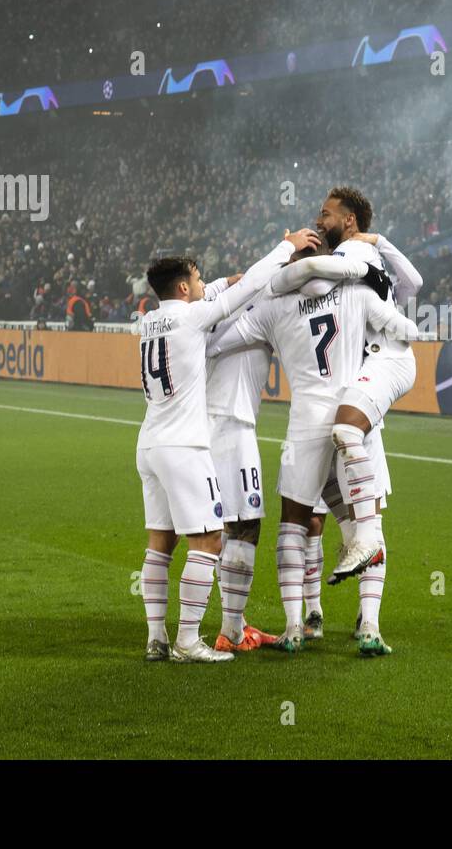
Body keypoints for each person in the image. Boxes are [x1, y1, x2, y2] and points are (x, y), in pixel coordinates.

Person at [207, 246, 411, 655]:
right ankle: (369, 625)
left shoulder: (273, 306)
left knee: (293, 525)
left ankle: (295, 627)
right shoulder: (356, 291)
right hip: (355, 418)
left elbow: (217, 343)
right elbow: (405, 330)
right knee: (366, 524)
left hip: (305, 424)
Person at [135, 230, 318, 665]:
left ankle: (156, 638)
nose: (204, 284)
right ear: (184, 288)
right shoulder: (193, 320)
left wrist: (224, 282)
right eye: (198, 280)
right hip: (185, 444)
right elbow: (252, 284)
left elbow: (222, 289)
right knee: (209, 541)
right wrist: (286, 247)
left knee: (159, 544)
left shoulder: (150, 321)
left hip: (149, 443)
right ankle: (189, 640)